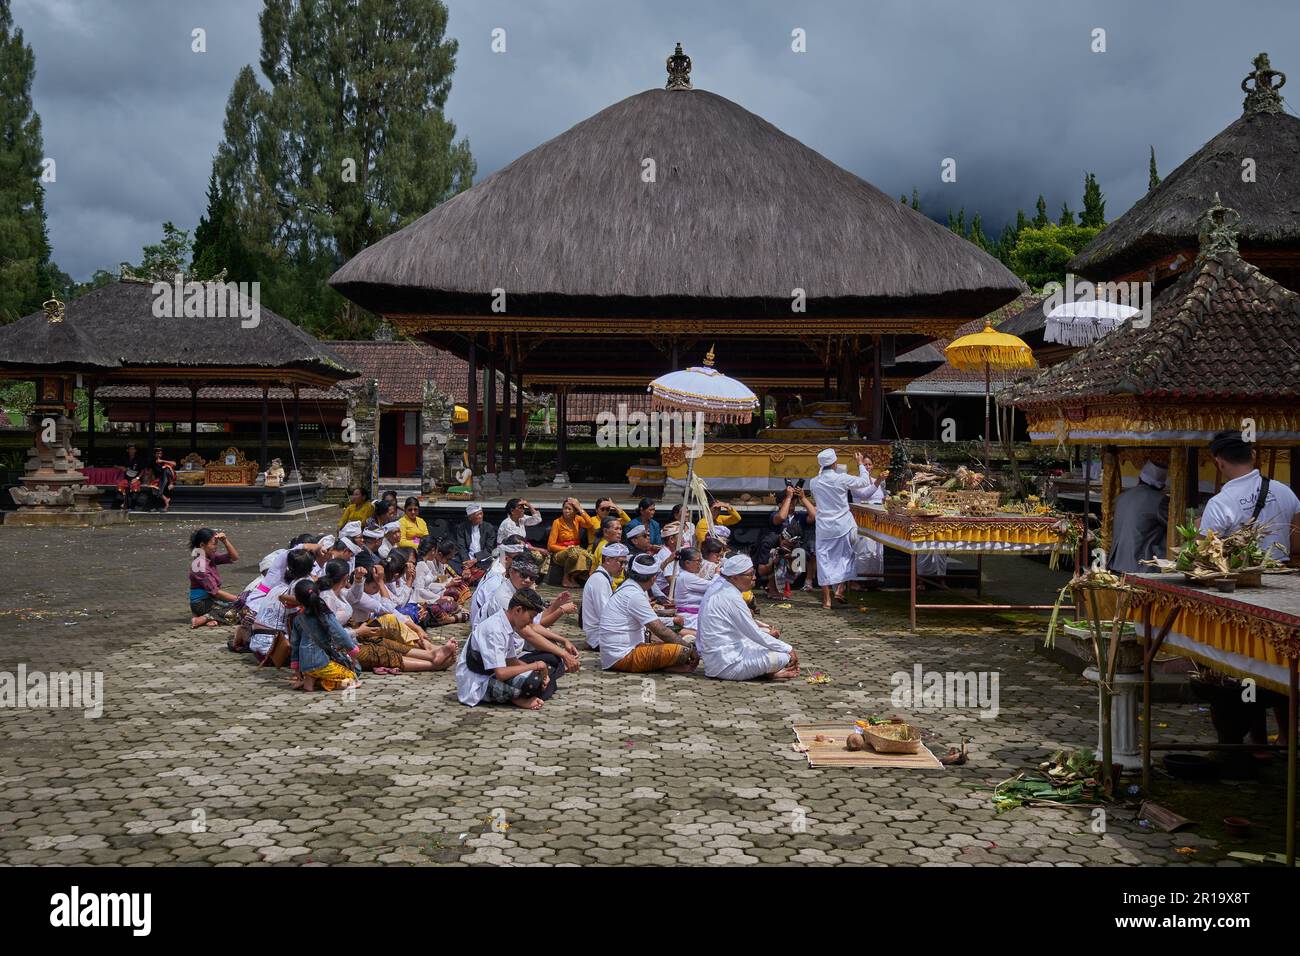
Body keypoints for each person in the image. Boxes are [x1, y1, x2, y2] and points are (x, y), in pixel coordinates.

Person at [695, 554, 800, 680]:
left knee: (768, 642)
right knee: (783, 656)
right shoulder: (731, 596)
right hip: (727, 665)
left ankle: (767, 672)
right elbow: (754, 633)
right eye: (750, 574)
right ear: (734, 577)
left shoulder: (726, 589)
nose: (754, 578)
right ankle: (768, 674)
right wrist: (789, 649)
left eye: (753, 573)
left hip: (720, 660)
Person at [1201, 430, 1300, 563]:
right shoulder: (1285, 492)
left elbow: (1204, 553)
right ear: (1253, 455)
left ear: (1219, 463)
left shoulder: (1219, 503)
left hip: (1241, 579)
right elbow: (1297, 545)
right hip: (1282, 577)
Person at [456, 589, 560, 709]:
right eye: (530, 617)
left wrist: (540, 672)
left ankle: (523, 695)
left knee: (546, 676)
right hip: (477, 683)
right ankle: (518, 699)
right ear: (518, 610)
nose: (531, 622)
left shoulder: (506, 624)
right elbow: (501, 673)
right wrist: (535, 666)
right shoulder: (494, 629)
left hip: (492, 674)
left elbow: (512, 661)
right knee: (533, 682)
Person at [596, 554, 698, 673]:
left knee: (671, 642)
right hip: (621, 656)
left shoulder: (628, 587)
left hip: (615, 654)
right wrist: (689, 649)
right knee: (681, 650)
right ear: (653, 578)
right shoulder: (634, 594)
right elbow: (661, 630)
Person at [806, 448, 875, 609]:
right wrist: (859, 464)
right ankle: (840, 588)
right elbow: (865, 482)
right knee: (847, 556)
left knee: (824, 562)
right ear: (835, 463)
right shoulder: (841, 479)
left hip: (824, 527)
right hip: (843, 525)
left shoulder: (814, 481)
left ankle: (827, 600)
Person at [288, 579, 361, 692]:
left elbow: (295, 645)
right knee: (353, 678)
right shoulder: (325, 615)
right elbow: (340, 634)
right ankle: (321, 683)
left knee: (313, 670)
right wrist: (352, 651)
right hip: (320, 663)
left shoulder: (298, 620)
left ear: (298, 599)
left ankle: (309, 680)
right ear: (317, 593)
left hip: (305, 666)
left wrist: (297, 670)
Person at [1106, 460, 1169, 573]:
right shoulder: (1159, 500)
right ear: (1161, 487)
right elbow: (1176, 527)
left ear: (1139, 479)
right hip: (1139, 567)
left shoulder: (1122, 497)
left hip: (1115, 563)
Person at [188, 528, 241, 628]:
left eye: (217, 543)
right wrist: (239, 599)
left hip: (211, 600)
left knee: (242, 608)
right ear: (202, 545)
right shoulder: (199, 566)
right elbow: (215, 592)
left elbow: (234, 557)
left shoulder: (209, 556)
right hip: (201, 604)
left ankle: (209, 618)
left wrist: (225, 541)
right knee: (241, 613)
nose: (216, 547)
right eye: (213, 544)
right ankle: (206, 617)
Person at [580, 542, 629, 650]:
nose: (623, 567)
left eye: (625, 563)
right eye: (621, 562)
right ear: (607, 560)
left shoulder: (603, 578)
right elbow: (606, 615)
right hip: (599, 638)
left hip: (602, 635)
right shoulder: (599, 580)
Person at [548, 496, 595, 587]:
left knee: (589, 556)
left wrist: (579, 508)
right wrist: (567, 548)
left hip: (576, 550)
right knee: (573, 552)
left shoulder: (577, 519)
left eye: (570, 509)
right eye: (565, 508)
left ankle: (573, 577)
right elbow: (550, 545)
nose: (567, 511)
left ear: (575, 511)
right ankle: (565, 579)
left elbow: (590, 524)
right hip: (560, 553)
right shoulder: (557, 522)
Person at [670, 547, 711, 636]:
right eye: (698, 561)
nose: (700, 564)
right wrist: (718, 574)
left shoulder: (686, 575)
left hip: (693, 615)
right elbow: (711, 586)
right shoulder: (686, 577)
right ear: (687, 563)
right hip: (690, 617)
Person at [452, 503, 497, 571]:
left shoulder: (488, 528)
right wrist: (467, 562)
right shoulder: (462, 528)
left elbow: (489, 549)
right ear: (470, 517)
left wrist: (475, 560)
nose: (480, 516)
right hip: (466, 559)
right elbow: (461, 547)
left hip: (484, 559)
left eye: (481, 513)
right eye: (477, 514)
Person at [115, 443, 145, 511]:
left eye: (133, 449)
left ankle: (132, 507)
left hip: (136, 479)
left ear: (135, 450)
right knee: (121, 486)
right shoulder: (124, 458)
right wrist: (121, 467)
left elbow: (143, 470)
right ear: (127, 450)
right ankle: (123, 504)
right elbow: (115, 465)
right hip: (126, 478)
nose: (132, 451)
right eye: (130, 449)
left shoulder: (139, 459)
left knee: (134, 488)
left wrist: (137, 478)